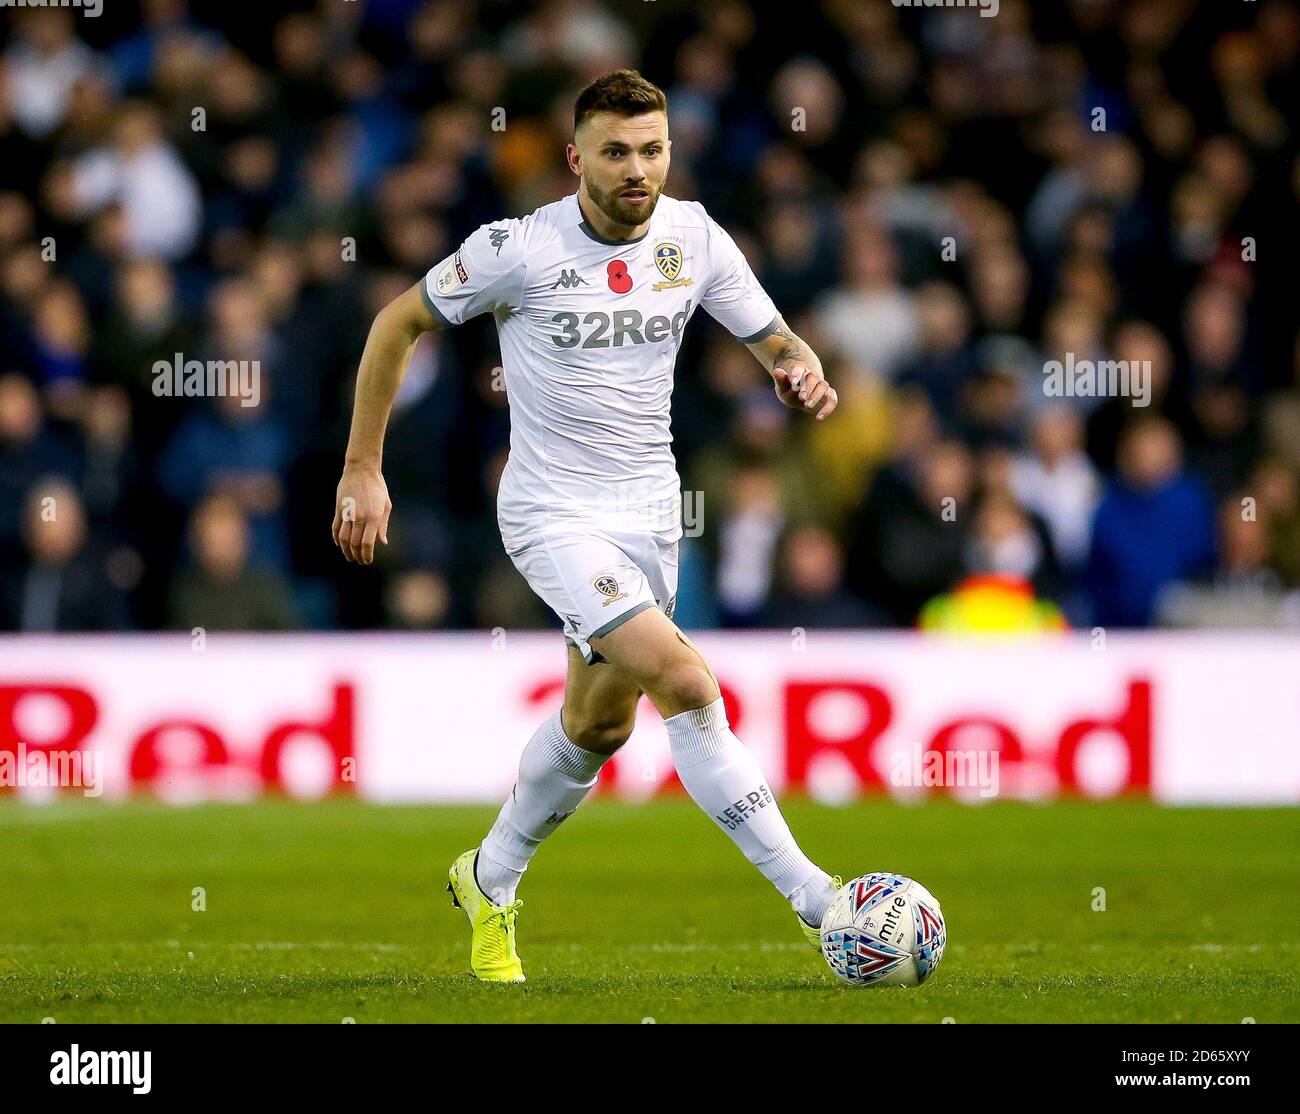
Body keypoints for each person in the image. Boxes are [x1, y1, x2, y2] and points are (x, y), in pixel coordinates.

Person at [332, 70, 841, 983]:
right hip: (551, 513)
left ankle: (489, 878)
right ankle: (821, 905)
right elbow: (394, 324)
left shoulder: (696, 238)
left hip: (649, 515)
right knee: (687, 681)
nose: (637, 168)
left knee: (598, 727)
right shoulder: (516, 251)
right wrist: (363, 468)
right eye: (615, 152)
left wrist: (797, 367)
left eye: (652, 149)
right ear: (576, 160)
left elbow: (775, 338)